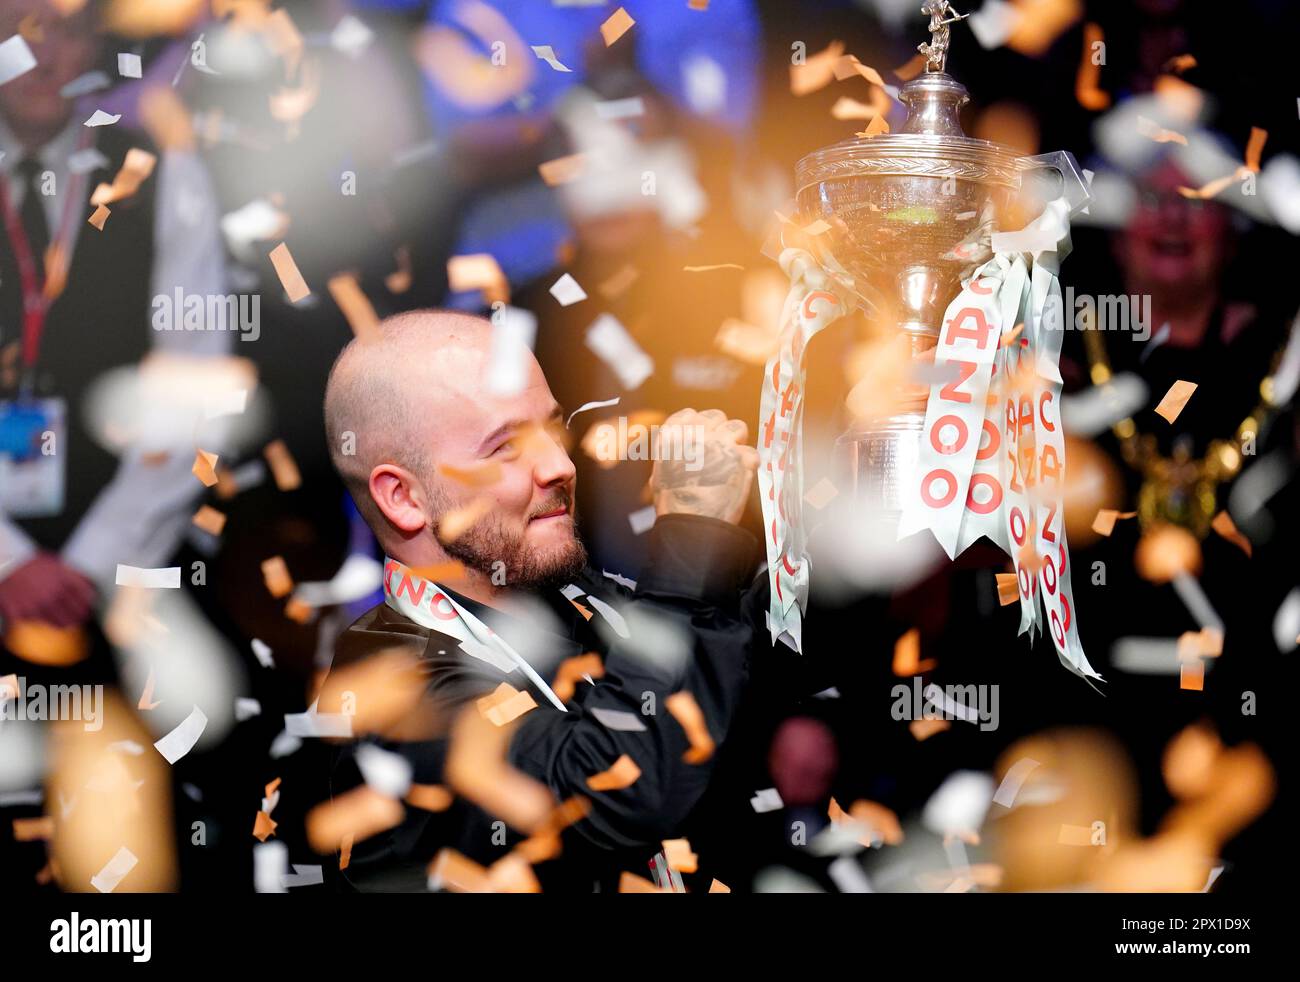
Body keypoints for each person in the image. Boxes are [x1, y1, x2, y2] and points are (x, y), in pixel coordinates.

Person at [318, 309, 763, 891]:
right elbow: (613, 791)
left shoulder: (571, 597)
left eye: (553, 429)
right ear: (404, 497)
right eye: (505, 447)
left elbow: (747, 665)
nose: (560, 465)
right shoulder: (385, 697)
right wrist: (690, 540)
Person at [0, 0, 227, 630]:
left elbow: (195, 387)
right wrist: (8, 563)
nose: (41, 61)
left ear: (96, 47)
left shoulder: (165, 177)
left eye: (66, 32)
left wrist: (91, 565)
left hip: (119, 582)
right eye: (16, 34)